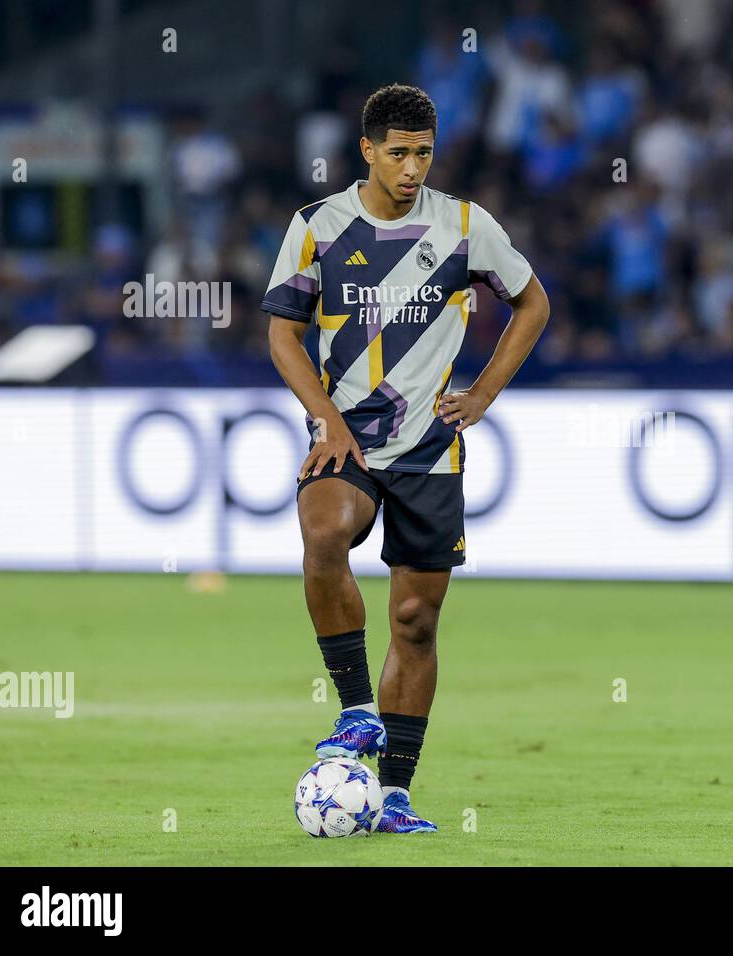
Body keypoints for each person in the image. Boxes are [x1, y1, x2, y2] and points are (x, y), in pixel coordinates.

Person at [263, 84, 550, 833]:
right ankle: (356, 712)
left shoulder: (463, 226)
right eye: (398, 153)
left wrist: (481, 396)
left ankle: (393, 796)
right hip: (348, 437)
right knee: (323, 531)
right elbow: (283, 335)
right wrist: (325, 421)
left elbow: (533, 304)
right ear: (367, 151)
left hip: (429, 448)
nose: (412, 168)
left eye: (423, 152)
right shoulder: (318, 227)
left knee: (417, 622)